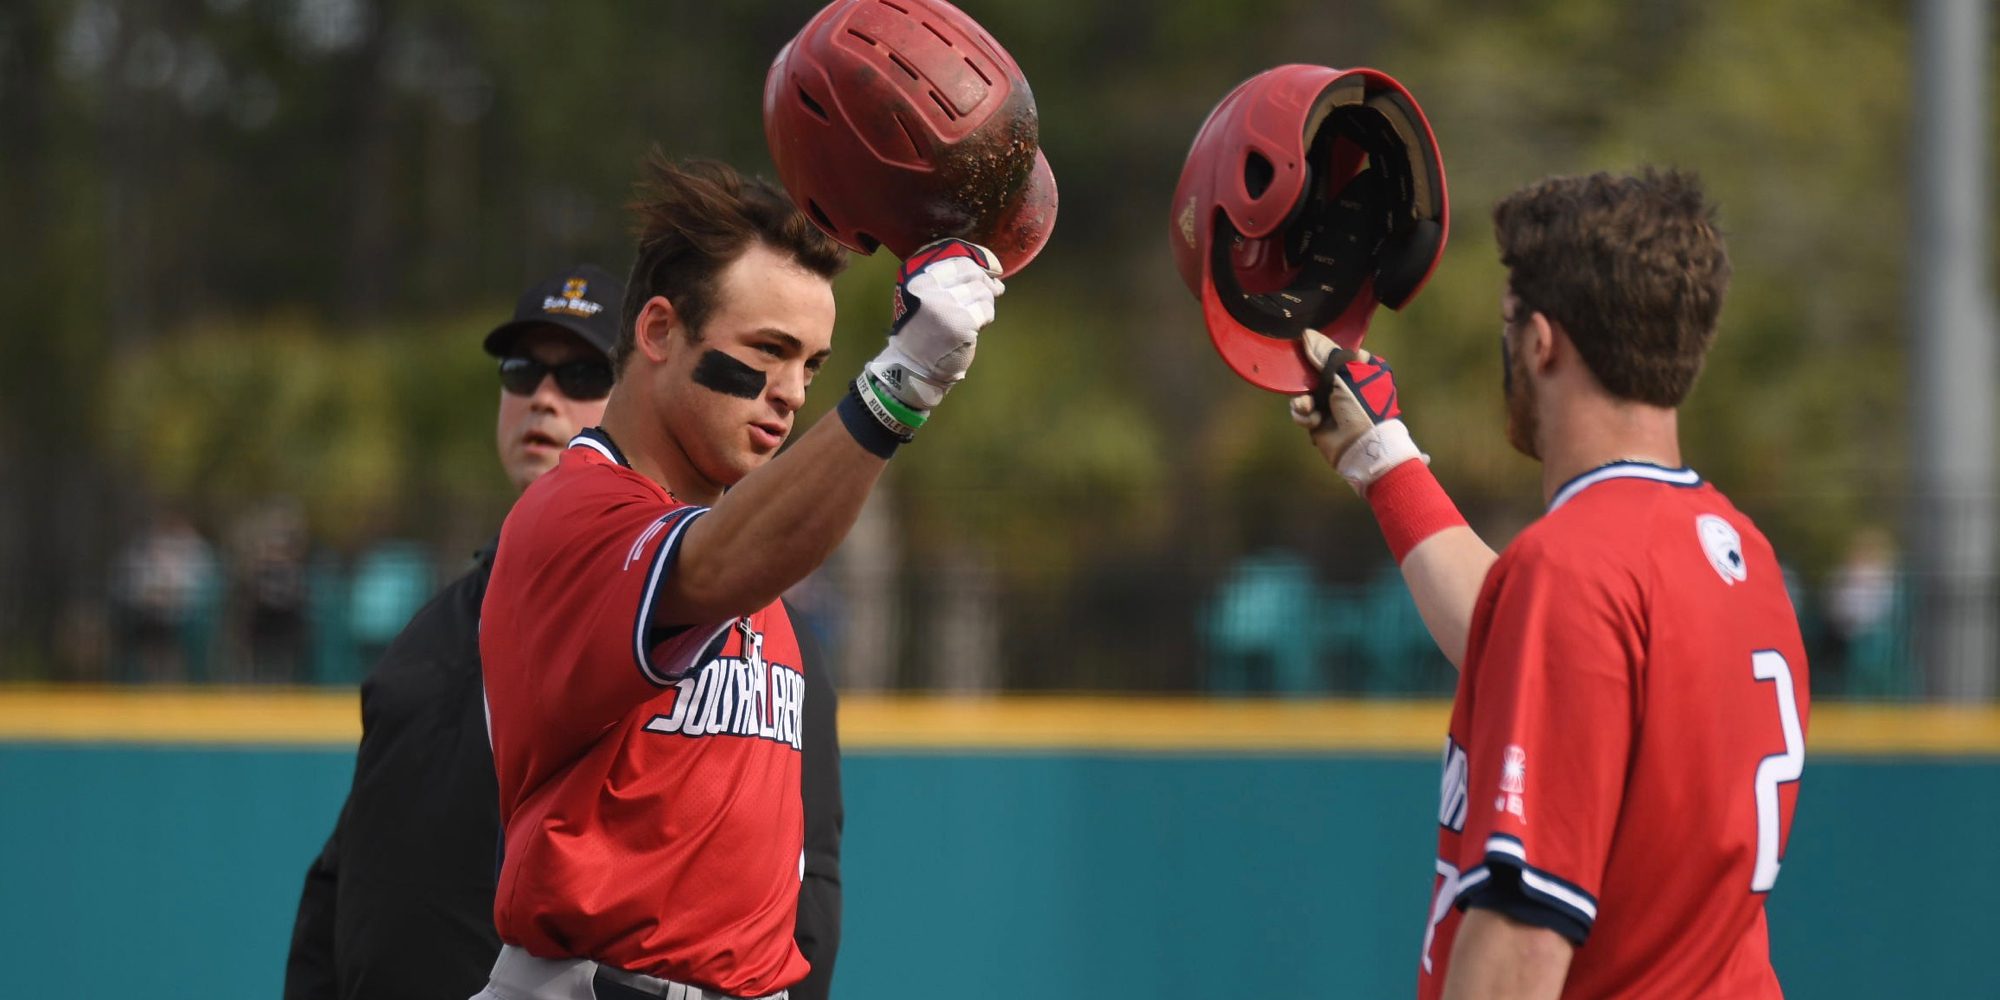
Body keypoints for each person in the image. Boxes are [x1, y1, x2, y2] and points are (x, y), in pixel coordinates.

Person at [474, 154, 1003, 1000]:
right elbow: (713, 562)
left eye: (813, 365)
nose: (791, 392)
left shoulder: (750, 561)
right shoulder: (572, 514)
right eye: (768, 350)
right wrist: (903, 381)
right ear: (657, 331)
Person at [1289, 169, 1810, 998]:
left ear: (1542, 341)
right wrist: (1383, 459)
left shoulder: (1573, 570)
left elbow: (1525, 940)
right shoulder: (1740, 560)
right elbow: (1526, 649)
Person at [283, 263, 846, 1000]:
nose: (544, 397)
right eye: (523, 371)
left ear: (647, 369)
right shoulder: (431, 630)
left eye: (582, 371)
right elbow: (349, 870)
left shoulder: (746, 625)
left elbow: (805, 885)